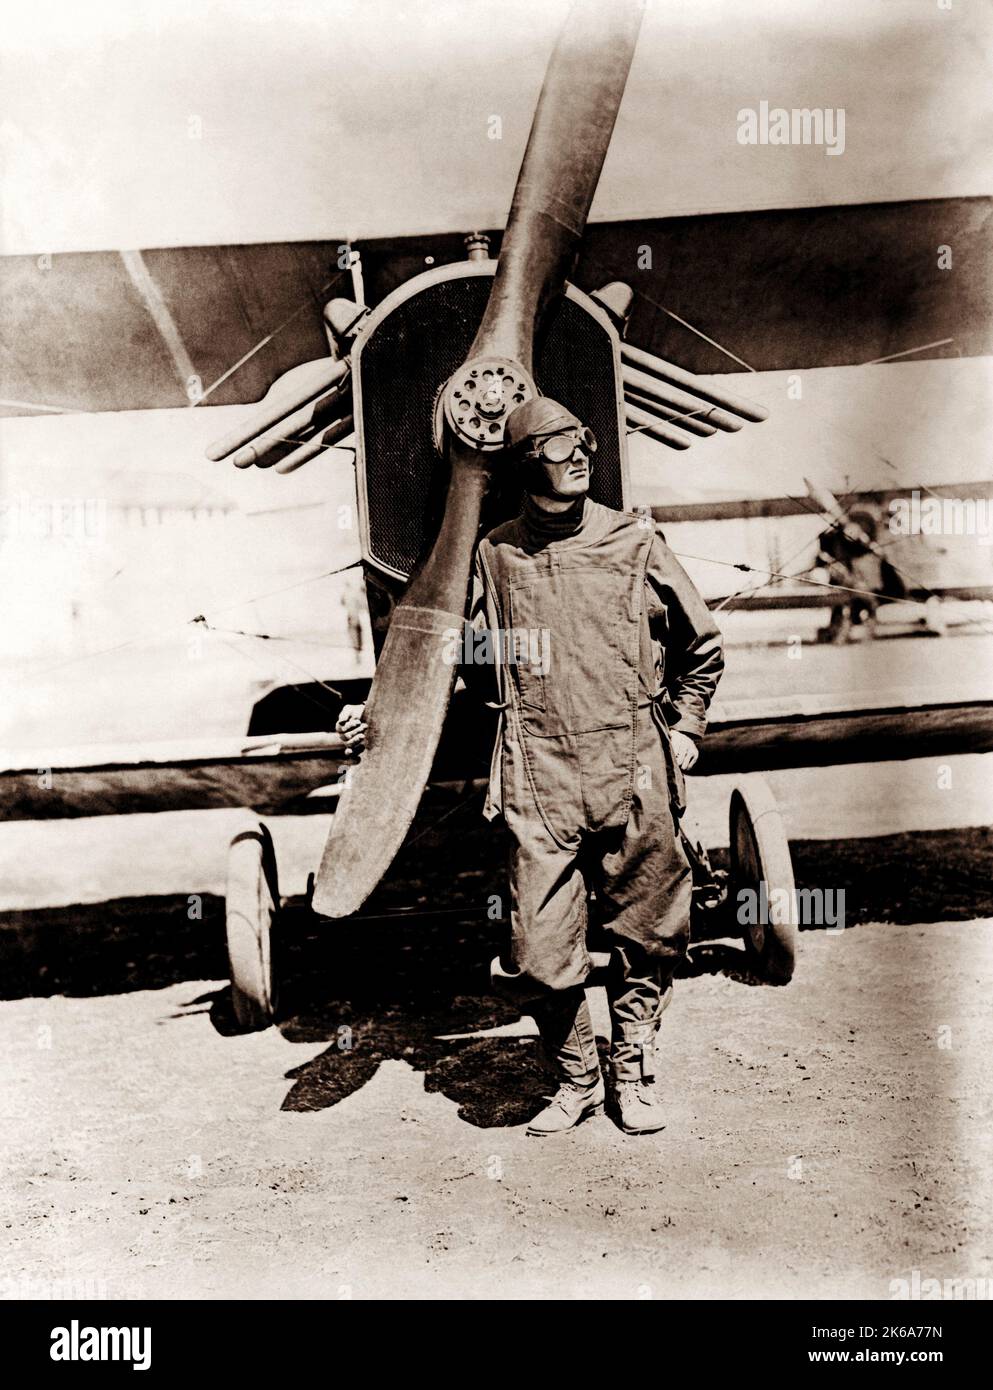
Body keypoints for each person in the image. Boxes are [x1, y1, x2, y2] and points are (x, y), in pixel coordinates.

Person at [337, 396, 724, 1136]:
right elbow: (445, 653)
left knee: (649, 931)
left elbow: (701, 647)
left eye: (581, 441)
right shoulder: (494, 555)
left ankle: (631, 1071)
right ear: (523, 465)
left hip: (634, 765)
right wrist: (373, 712)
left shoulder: (636, 541)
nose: (578, 455)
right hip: (537, 769)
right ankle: (576, 1078)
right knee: (537, 951)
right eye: (556, 446)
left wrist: (685, 731)